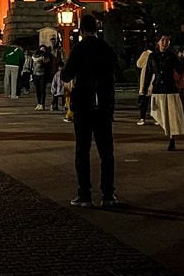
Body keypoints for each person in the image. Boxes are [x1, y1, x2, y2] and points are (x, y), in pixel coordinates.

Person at [59, 13, 119, 208]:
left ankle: (84, 194)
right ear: (97, 28)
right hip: (104, 103)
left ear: (81, 29)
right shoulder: (106, 48)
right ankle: (108, 194)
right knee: (106, 152)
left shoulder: (79, 48)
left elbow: (66, 75)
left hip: (83, 104)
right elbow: (116, 69)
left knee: (82, 150)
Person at [143, 33, 184, 150]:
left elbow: (179, 70)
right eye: (162, 40)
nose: (164, 42)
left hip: (170, 87)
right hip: (158, 87)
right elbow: (148, 73)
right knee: (160, 113)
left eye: (167, 40)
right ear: (158, 42)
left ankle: (172, 138)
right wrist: (144, 88)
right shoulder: (152, 56)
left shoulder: (172, 56)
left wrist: (182, 59)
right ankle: (167, 133)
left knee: (172, 115)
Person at [135, 43, 153, 125]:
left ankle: (142, 118)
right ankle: (157, 118)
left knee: (144, 100)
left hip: (145, 79)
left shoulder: (146, 54)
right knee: (155, 100)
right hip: (155, 79)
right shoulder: (158, 54)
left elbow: (138, 64)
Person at [30, 45, 51, 110]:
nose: (42, 51)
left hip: (43, 75)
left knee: (42, 90)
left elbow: (46, 62)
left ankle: (42, 104)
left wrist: (42, 59)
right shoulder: (35, 56)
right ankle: (38, 103)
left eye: (43, 50)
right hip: (36, 75)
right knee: (37, 90)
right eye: (41, 49)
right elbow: (33, 62)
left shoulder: (47, 57)